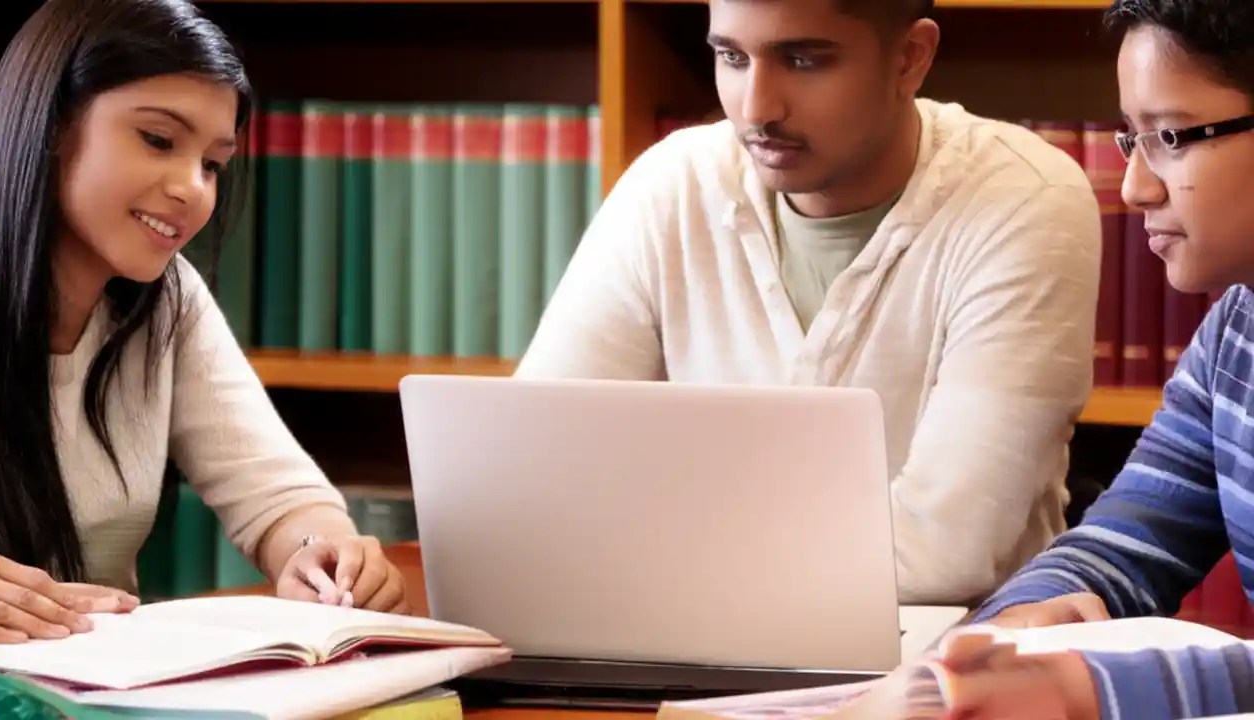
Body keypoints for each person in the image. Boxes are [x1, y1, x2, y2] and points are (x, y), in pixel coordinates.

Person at [514, 0, 1103, 605]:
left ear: (910, 57)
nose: (757, 109)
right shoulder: (672, 182)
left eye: (801, 60)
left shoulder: (1026, 197)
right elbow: (533, 472)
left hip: (946, 663)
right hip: (679, 634)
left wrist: (632, 544)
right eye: (732, 58)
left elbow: (946, 554)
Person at [844, 0, 1254, 716]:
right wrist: (1022, 627)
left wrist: (1094, 688)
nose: (1135, 188)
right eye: (1133, 138)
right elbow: (1124, 540)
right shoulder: (1236, 332)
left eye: (1172, 136)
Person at [0, 0, 408, 645]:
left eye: (212, 163)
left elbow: (278, 496)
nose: (192, 189)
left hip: (97, 694)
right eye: (157, 139)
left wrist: (322, 553)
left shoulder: (168, 300)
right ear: (51, 121)